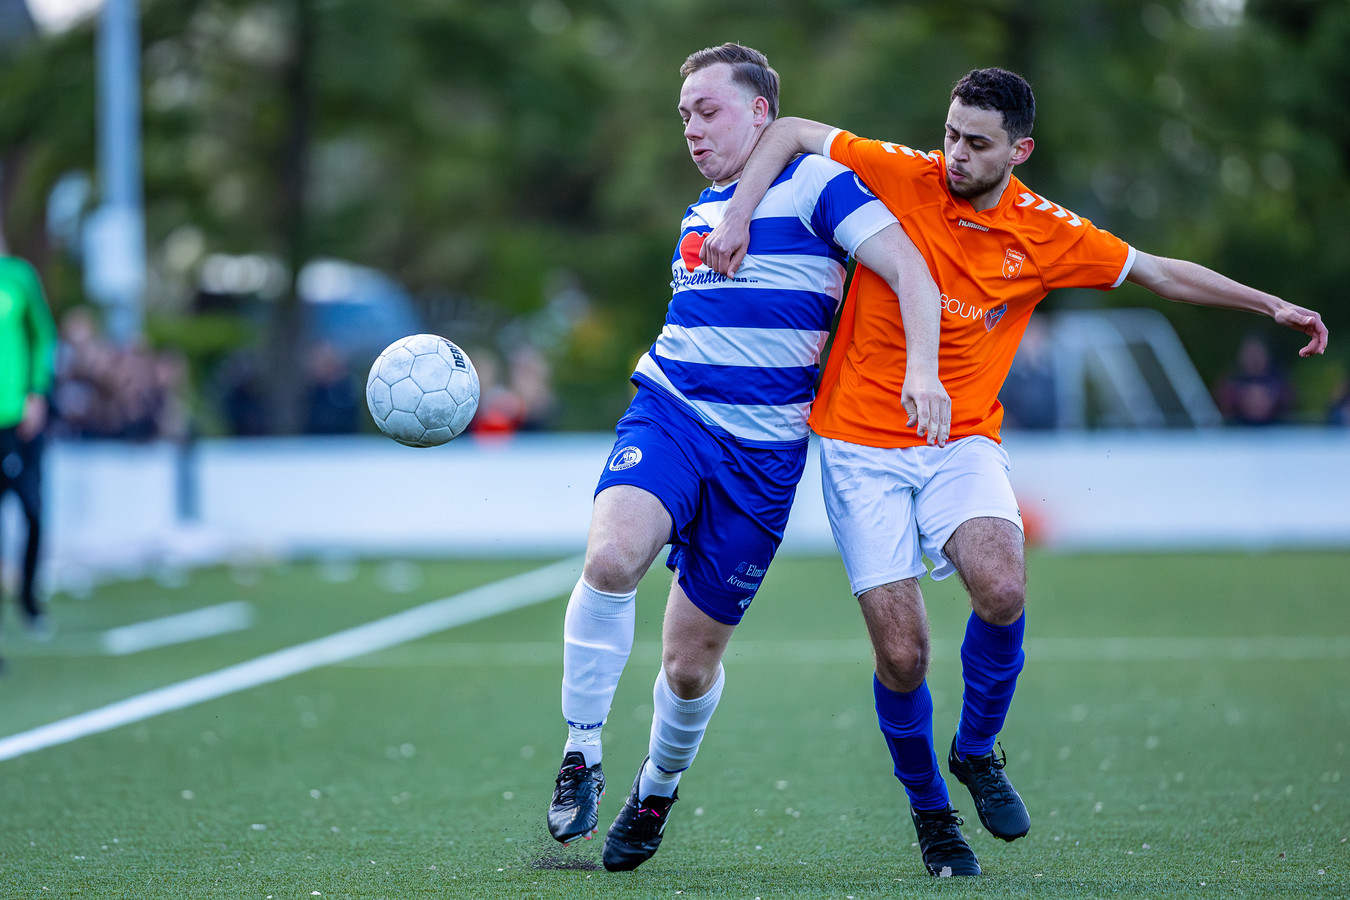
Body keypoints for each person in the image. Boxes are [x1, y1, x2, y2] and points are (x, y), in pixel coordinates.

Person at [701, 66, 1328, 877]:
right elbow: (788, 131)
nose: (953, 154)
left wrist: (1269, 304)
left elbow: (1158, 271)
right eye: (950, 132)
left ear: (1019, 150)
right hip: (860, 446)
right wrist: (740, 215)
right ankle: (932, 818)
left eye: (976, 143)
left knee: (1002, 586)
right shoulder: (905, 170)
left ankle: (978, 750)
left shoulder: (1048, 230)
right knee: (904, 656)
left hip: (961, 441)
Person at [545, 42, 951, 873]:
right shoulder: (703, 207)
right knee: (612, 556)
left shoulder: (818, 186)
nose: (691, 129)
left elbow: (909, 268)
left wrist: (919, 370)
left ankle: (657, 784)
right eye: (684, 115)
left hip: (762, 458)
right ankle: (581, 749)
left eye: (709, 110)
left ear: (761, 112)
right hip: (671, 412)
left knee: (688, 669)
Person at [0, 254, 59, 656]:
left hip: (19, 422)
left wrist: (37, 392)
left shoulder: (18, 276)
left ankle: (28, 598)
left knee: (33, 511)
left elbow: (44, 336)